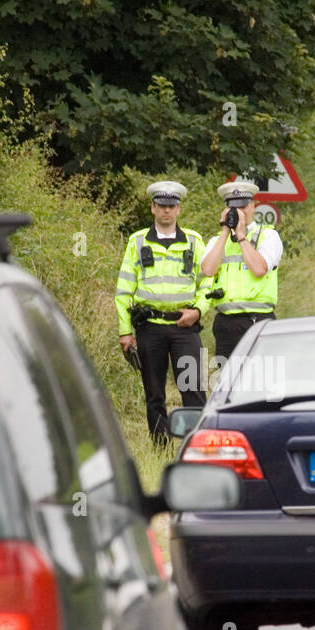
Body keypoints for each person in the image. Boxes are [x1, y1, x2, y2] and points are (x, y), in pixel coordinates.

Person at [115, 180, 209, 440]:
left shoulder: (194, 241)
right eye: (161, 205)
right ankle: (160, 446)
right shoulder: (137, 242)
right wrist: (125, 331)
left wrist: (198, 311)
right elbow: (123, 291)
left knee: (193, 389)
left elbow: (208, 282)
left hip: (185, 327)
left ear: (178, 209)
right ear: (153, 208)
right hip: (150, 328)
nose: (167, 211)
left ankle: (197, 446)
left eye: (172, 206)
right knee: (154, 392)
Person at [199, 181, 284, 362]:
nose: (240, 213)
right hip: (226, 323)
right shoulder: (217, 240)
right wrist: (224, 232)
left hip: (257, 321)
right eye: (233, 208)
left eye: (244, 207)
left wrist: (241, 236)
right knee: (229, 382)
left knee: (260, 380)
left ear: (253, 206)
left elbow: (259, 269)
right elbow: (208, 270)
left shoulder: (268, 236)